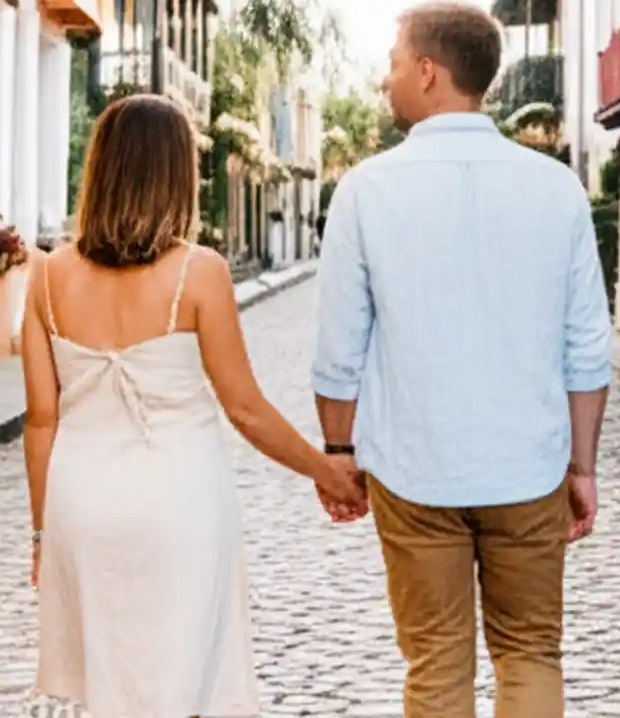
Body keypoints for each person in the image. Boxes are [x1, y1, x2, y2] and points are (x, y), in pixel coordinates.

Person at [312, 2, 613, 717]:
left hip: (415, 472)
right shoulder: (556, 188)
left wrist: (338, 448)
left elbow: (337, 349)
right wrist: (583, 466)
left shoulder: (366, 190)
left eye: (391, 65)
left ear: (428, 71)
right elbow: (587, 349)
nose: (385, 82)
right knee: (530, 652)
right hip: (528, 469)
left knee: (436, 663)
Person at [20, 94, 364, 718]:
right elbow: (246, 409)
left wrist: (44, 532)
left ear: (100, 169)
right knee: (184, 680)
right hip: (179, 501)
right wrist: (326, 468)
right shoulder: (198, 272)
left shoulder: (46, 277)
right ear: (176, 175)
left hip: (82, 504)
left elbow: (41, 421)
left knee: (111, 683)